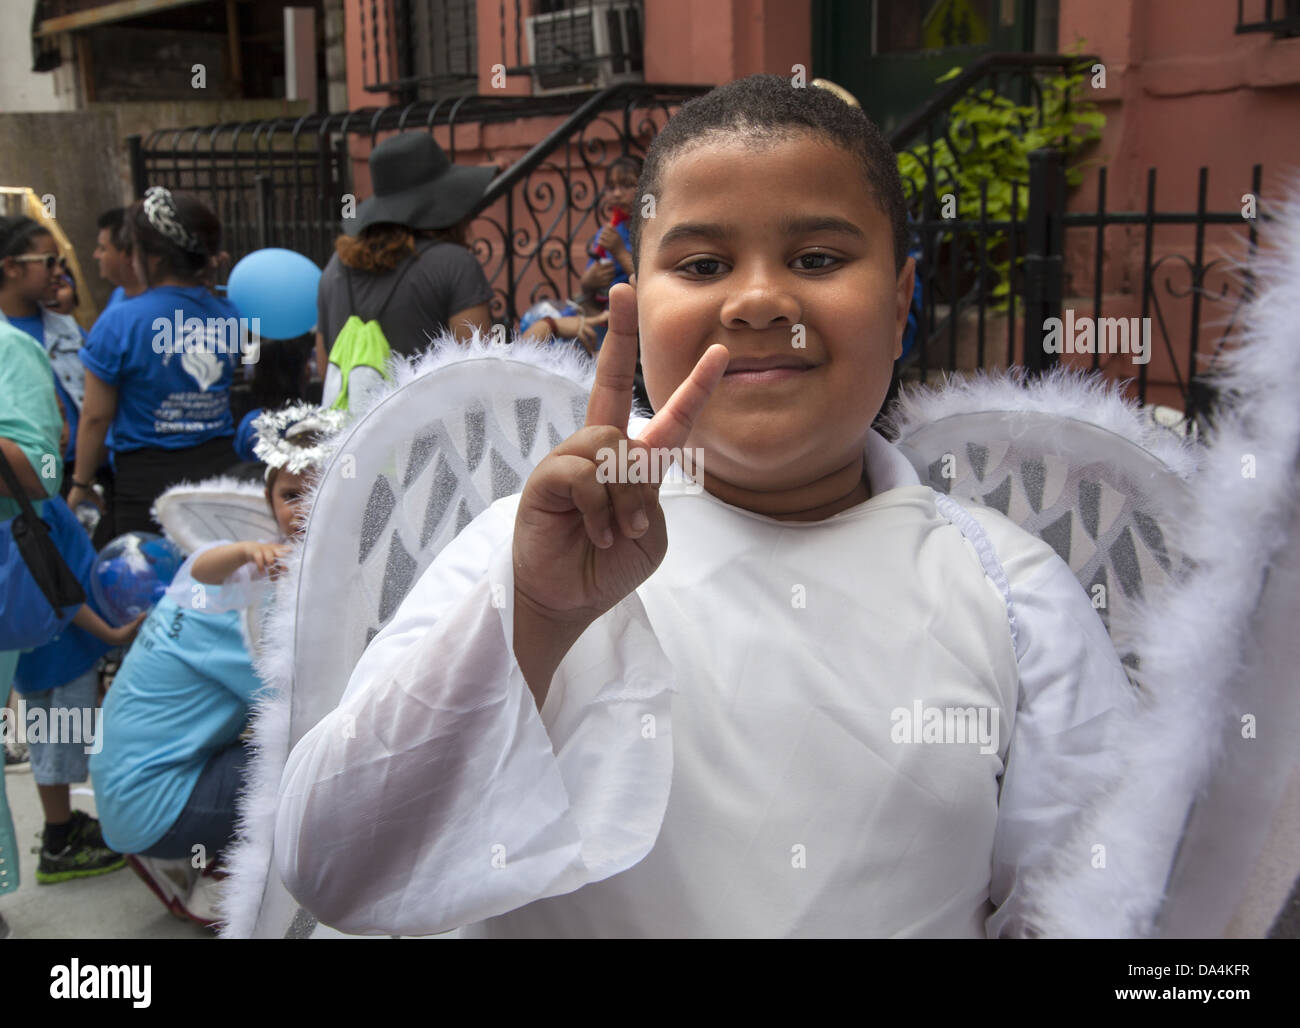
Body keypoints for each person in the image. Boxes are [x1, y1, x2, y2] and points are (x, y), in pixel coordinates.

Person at [272, 75, 1136, 939]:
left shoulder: (1014, 595)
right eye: (702, 265)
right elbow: (332, 872)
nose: (757, 299)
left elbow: (1095, 909)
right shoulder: (521, 553)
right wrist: (531, 616)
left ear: (903, 300)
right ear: (639, 304)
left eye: (818, 259)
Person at [91, 404, 335, 926]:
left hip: (128, 780)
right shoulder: (254, 594)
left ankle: (189, 852)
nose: (308, 505)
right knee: (310, 765)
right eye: (293, 494)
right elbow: (307, 709)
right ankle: (201, 866)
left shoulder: (233, 564)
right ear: (268, 504)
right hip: (152, 801)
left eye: (324, 486)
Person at [70, 188, 243, 537]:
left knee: (148, 582)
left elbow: (95, 416)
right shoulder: (230, 314)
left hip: (148, 482)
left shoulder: (119, 322)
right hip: (220, 474)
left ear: (152, 259)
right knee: (219, 579)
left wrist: (81, 481)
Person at [315, 131, 495, 379]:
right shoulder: (454, 265)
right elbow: (480, 375)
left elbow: (326, 371)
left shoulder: (336, 267)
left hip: (356, 418)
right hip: (434, 417)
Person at [0, 217, 89, 482]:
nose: (60, 272)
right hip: (23, 484)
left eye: (61, 263)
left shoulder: (69, 330)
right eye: (49, 261)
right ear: (12, 267)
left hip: (81, 475)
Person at [92, 207, 144, 312]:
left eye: (103, 249)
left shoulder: (156, 308)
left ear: (127, 255)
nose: (96, 255)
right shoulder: (118, 294)